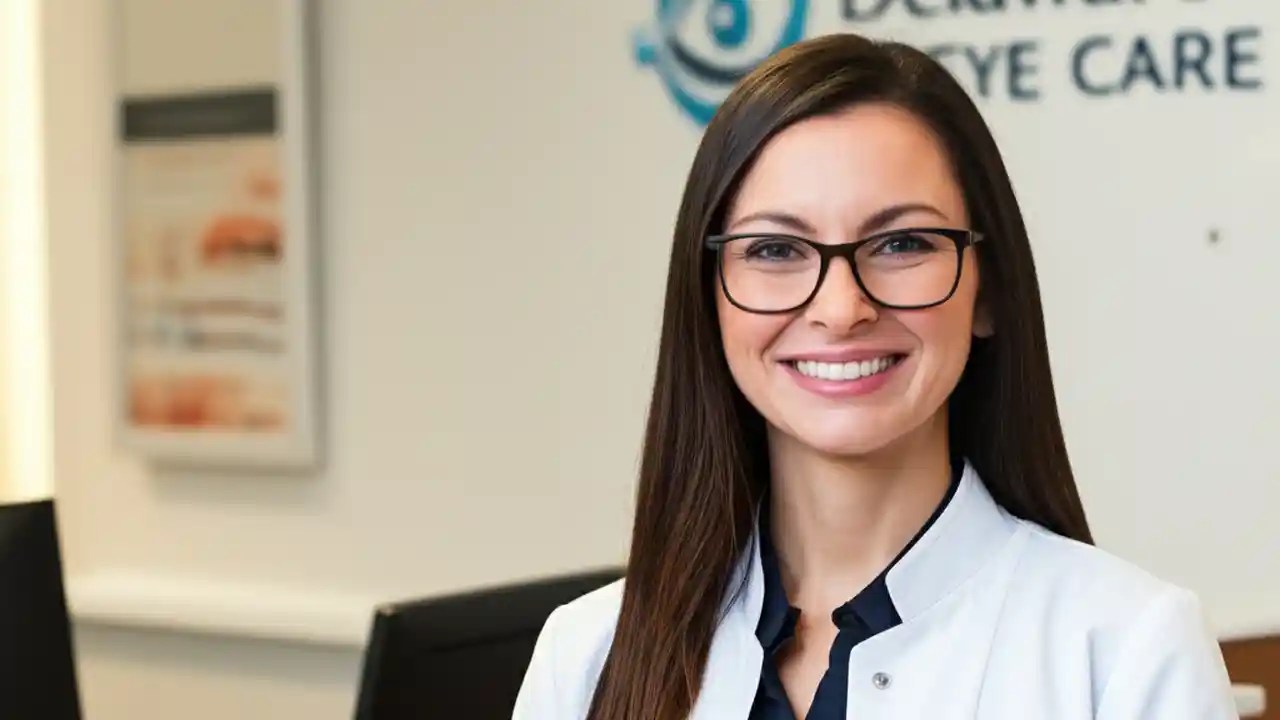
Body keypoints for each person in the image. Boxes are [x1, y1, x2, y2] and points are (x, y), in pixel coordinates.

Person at [513, 33, 1238, 720]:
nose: (840, 308)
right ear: (709, 297)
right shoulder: (587, 656)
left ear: (987, 291)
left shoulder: (1126, 651)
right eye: (775, 249)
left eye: (901, 243)